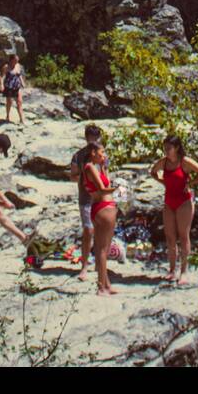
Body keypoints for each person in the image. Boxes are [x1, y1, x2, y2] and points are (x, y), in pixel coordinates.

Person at [149, 136, 198, 285]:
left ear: (176, 148)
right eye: (165, 148)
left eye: (169, 148)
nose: (166, 151)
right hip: (169, 201)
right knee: (169, 236)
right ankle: (171, 270)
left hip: (184, 201)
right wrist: (162, 182)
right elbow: (153, 171)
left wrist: (190, 183)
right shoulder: (164, 162)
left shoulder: (184, 161)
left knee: (183, 236)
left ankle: (184, 271)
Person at [80, 140, 118, 295]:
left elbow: (104, 182)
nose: (104, 156)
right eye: (101, 153)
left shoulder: (97, 168)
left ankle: (106, 283)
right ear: (93, 152)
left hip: (106, 208)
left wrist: (104, 167)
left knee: (105, 248)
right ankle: (101, 286)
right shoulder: (89, 167)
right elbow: (102, 190)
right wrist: (119, 189)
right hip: (102, 208)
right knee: (102, 249)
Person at [69, 124, 105, 281]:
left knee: (100, 231)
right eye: (91, 138)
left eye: (96, 138)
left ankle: (99, 263)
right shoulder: (79, 156)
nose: (94, 141)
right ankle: (84, 266)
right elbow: (73, 175)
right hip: (86, 197)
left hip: (100, 198)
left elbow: (106, 174)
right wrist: (86, 179)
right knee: (88, 231)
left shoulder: (102, 155)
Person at [0, 53, 26, 125]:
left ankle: (22, 120)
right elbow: (1, 76)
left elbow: (19, 75)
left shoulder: (18, 66)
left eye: (17, 60)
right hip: (9, 87)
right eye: (15, 60)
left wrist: (22, 82)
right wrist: (1, 85)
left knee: (19, 102)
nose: (17, 61)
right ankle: (7, 116)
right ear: (11, 60)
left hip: (17, 87)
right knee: (9, 102)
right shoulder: (6, 67)